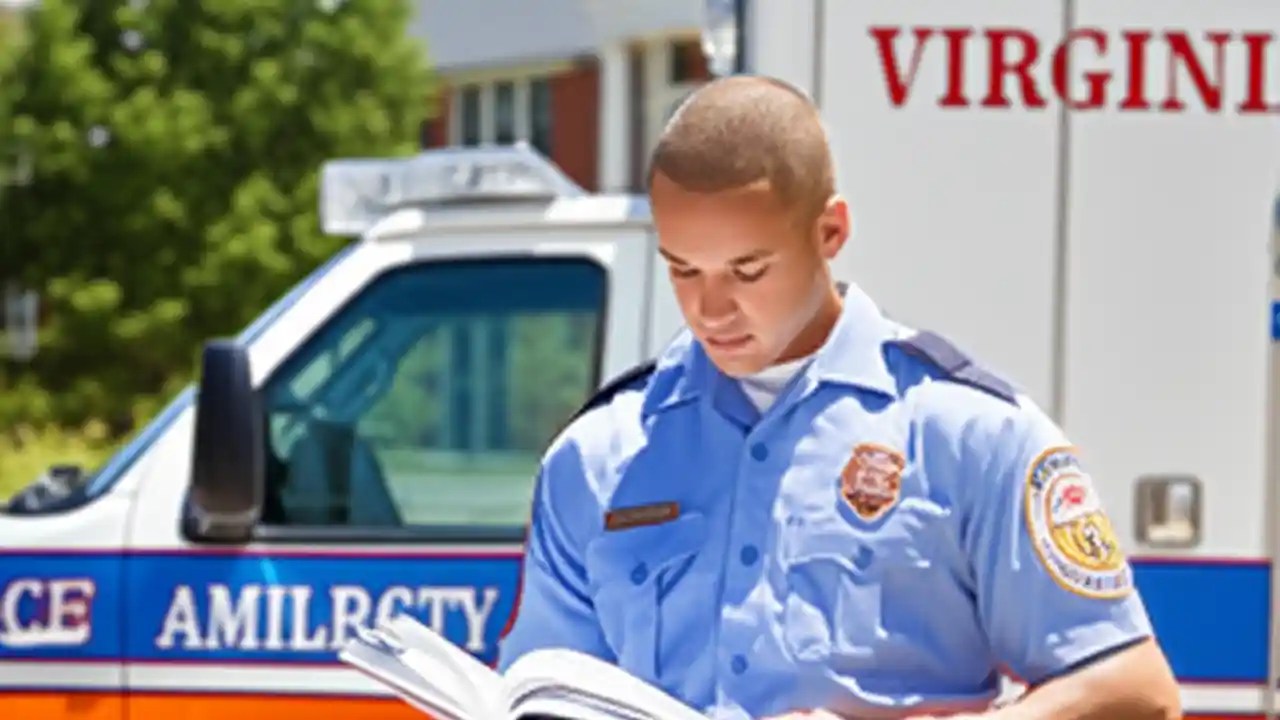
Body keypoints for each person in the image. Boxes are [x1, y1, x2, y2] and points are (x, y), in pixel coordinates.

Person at [495, 75, 1181, 720]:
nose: (710, 309)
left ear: (830, 232)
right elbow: (543, 688)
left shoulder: (967, 434)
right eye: (683, 270)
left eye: (747, 270)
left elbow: (1138, 691)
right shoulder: (598, 456)